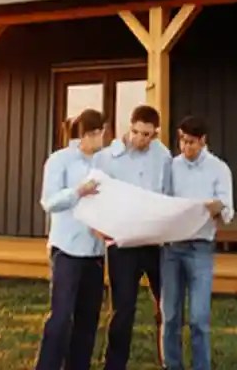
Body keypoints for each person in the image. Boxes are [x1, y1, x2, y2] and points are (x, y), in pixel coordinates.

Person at [93, 104, 171, 370]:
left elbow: (168, 194)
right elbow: (95, 198)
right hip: (123, 246)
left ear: (155, 133)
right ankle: (114, 365)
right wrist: (102, 229)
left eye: (148, 135)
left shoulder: (163, 156)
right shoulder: (106, 158)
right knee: (123, 310)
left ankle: (169, 361)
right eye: (137, 133)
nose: (141, 139)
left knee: (167, 307)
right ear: (130, 127)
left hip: (155, 244)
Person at [35, 108, 109, 370]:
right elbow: (49, 201)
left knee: (88, 319)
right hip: (66, 249)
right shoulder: (60, 160)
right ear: (88, 134)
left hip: (95, 253)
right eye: (99, 133)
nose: (102, 138)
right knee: (61, 317)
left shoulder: (105, 162)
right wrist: (78, 191)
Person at [161, 115, 233, 370]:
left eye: (191, 142)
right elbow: (163, 202)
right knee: (170, 315)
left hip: (200, 249)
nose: (185, 147)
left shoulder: (219, 169)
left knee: (199, 318)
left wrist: (215, 207)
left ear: (203, 141)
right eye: (181, 141)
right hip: (172, 248)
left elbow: (228, 212)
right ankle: (172, 365)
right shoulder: (172, 166)